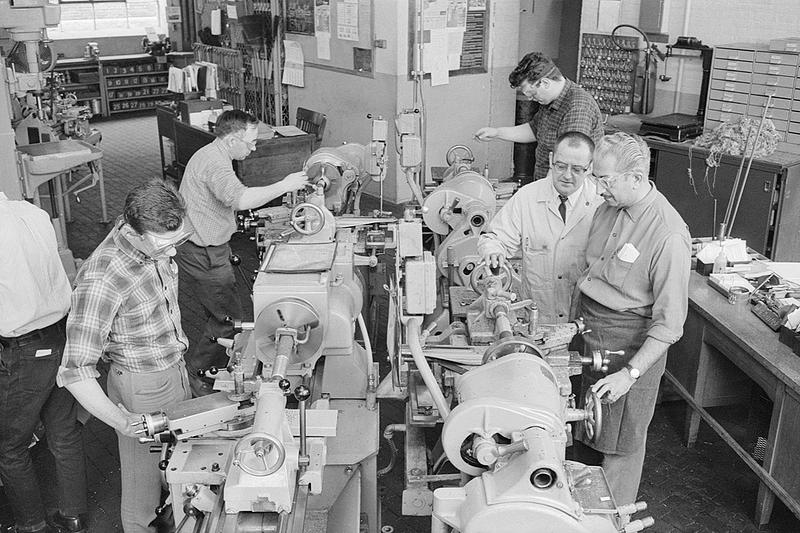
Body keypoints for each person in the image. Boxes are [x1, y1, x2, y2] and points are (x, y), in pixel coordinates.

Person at [58, 179, 193, 533]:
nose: (174, 252)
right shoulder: (103, 276)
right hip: (141, 389)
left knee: (179, 465)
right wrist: (123, 422)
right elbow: (74, 371)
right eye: (166, 245)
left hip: (174, 369)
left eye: (179, 239)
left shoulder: (156, 243)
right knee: (141, 494)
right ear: (134, 233)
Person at [575, 132, 691, 505]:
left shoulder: (668, 235)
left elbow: (670, 325)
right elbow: (592, 272)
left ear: (636, 178)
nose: (596, 187)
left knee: (619, 446)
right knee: (582, 425)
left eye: (604, 179)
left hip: (629, 348)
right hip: (589, 331)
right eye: (596, 177)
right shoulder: (609, 206)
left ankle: (610, 522)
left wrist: (630, 375)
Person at [176, 109, 309, 396]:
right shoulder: (215, 164)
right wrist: (286, 185)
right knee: (228, 321)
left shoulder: (214, 154)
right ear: (233, 138)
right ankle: (197, 376)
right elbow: (241, 199)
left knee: (222, 314)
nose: (253, 147)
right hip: (205, 253)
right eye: (250, 142)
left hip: (208, 247)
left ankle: (215, 368)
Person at [0, 193, 88, 533]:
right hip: (60, 336)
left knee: (10, 447)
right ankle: (74, 515)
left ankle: (32, 525)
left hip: (23, 350)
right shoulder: (34, 213)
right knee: (63, 433)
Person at [477, 131, 603, 324]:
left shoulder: (602, 203)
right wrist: (493, 250)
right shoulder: (526, 197)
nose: (567, 176)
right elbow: (494, 238)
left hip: (585, 321)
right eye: (561, 166)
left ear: (590, 168)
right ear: (552, 159)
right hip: (536, 321)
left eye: (577, 169)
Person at [474, 51, 604, 183]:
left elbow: (567, 163)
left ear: (545, 83)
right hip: (549, 183)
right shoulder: (550, 100)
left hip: (564, 187)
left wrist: (543, 194)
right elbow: (534, 130)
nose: (531, 98)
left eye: (532, 93)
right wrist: (497, 133)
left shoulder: (577, 108)